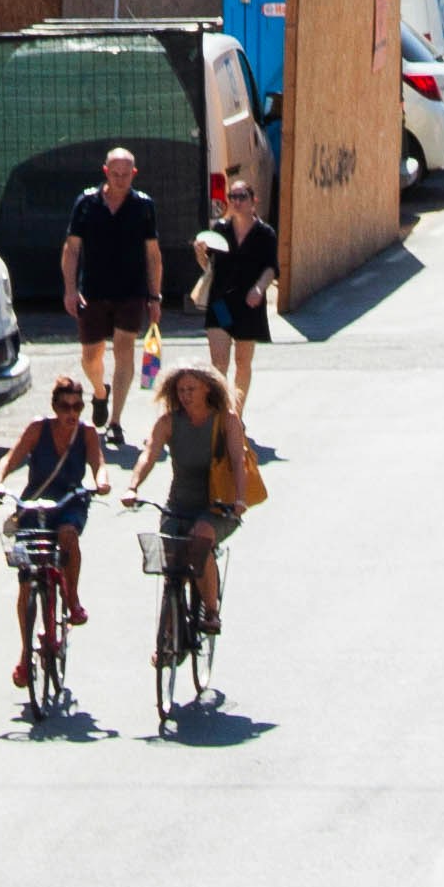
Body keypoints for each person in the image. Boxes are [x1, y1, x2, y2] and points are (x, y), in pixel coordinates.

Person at [0, 373, 104, 682]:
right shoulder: (38, 429)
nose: (72, 414)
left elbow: (98, 464)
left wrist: (101, 482)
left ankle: (73, 599)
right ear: (54, 407)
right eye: (65, 407)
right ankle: (25, 655)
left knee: (67, 535)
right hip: (34, 506)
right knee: (26, 581)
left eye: (77, 406)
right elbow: (10, 459)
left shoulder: (87, 433)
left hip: (70, 502)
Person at [126, 358, 247, 625]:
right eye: (181, 390)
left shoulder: (226, 420)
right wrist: (133, 486)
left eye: (191, 389)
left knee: (200, 538)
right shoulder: (169, 422)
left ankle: (211, 610)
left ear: (207, 389)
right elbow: (148, 454)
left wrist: (240, 499)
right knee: (172, 565)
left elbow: (238, 461)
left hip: (218, 507)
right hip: (178, 505)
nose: (185, 395)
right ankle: (167, 638)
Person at [63, 143, 162, 446]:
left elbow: (153, 255)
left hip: (130, 291)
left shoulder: (143, 206)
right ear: (106, 172)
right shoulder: (86, 203)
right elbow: (71, 248)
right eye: (114, 173)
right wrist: (69, 289)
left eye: (126, 174)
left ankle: (116, 421)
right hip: (93, 290)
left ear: (134, 174)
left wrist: (155, 297)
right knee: (90, 356)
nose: (120, 179)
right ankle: (100, 392)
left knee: (124, 351)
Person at [200, 173, 278, 408]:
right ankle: (221, 410)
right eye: (232, 196)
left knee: (243, 361)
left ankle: (237, 412)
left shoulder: (265, 234)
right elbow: (208, 267)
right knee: (219, 362)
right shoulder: (220, 229)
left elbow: (271, 268)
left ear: (254, 201)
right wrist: (200, 254)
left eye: (242, 196)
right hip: (222, 303)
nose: (236, 201)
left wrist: (259, 288)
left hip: (248, 305)